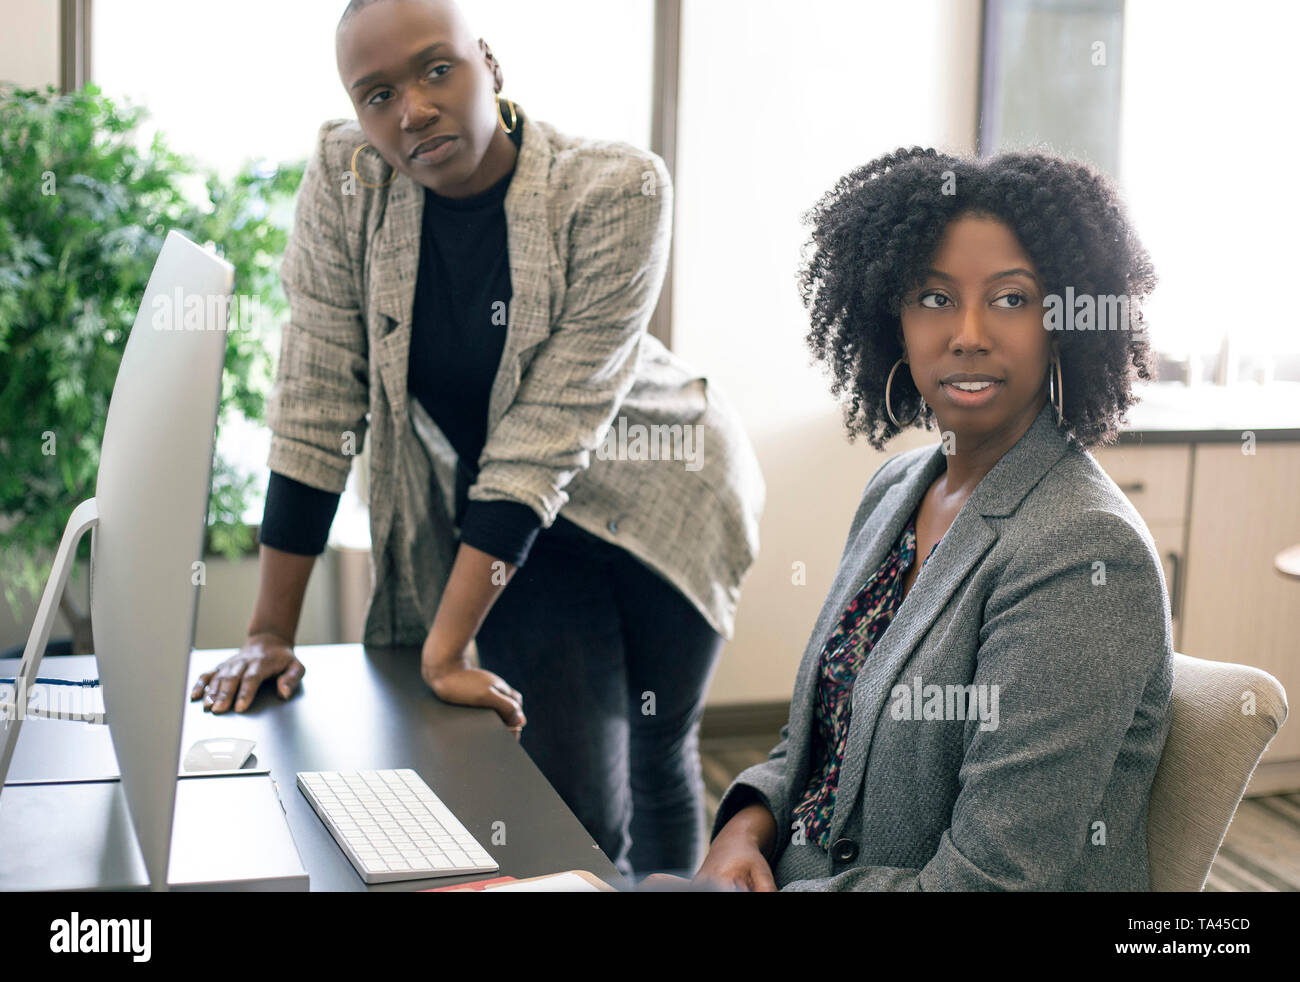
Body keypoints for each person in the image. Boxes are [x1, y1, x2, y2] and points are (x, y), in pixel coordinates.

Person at [190, 0, 764, 881]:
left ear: (487, 62)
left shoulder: (615, 187)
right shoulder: (348, 180)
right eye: (376, 94)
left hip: (665, 493)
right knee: (567, 798)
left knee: (659, 749)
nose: (411, 110)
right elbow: (316, 398)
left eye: (434, 70)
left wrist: (446, 647)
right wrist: (269, 632)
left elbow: (547, 433)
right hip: (520, 527)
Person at [690, 147, 1173, 890]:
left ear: (1064, 321)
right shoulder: (899, 489)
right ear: (894, 320)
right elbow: (818, 736)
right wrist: (741, 830)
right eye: (935, 298)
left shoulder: (1081, 551)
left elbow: (990, 880)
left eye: (1012, 298)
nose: (969, 333)